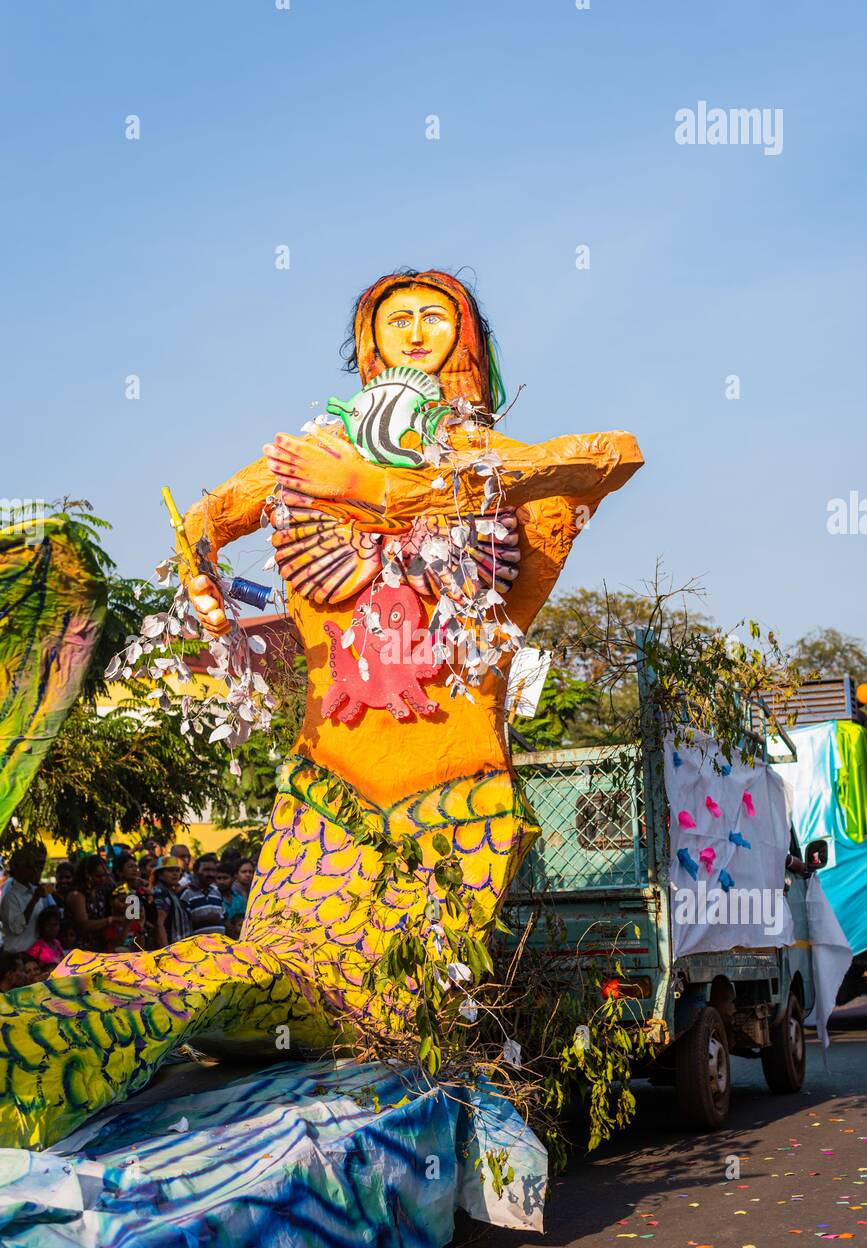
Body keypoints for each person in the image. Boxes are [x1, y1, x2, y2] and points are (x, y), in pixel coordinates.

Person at [0, 267, 643, 1149]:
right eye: (394, 320)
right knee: (257, 978)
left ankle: (382, 1135)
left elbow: (618, 453)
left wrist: (381, 492)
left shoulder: (494, 471)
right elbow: (203, 521)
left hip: (452, 805)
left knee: (377, 1003)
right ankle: (58, 1055)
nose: (414, 333)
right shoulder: (304, 466)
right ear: (368, 342)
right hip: (321, 800)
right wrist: (204, 584)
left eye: (434, 318)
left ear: (466, 340)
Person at [65, 855, 127, 952]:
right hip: (82, 949)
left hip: (100, 947)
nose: (103, 879)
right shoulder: (77, 894)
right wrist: (111, 920)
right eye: (98, 876)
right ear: (87, 875)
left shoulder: (100, 891)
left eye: (104, 875)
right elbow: (84, 924)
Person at [0, 842, 51, 956]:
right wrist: (34, 900)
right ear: (18, 868)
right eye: (30, 866)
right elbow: (17, 928)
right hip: (17, 956)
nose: (35, 870)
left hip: (35, 955)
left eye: (38, 865)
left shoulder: (35, 891)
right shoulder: (11, 896)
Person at [181, 856, 226, 935]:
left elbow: (223, 917)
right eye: (206, 870)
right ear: (196, 871)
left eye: (213, 870)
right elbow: (183, 921)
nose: (211, 874)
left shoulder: (216, 892)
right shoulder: (187, 894)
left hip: (220, 944)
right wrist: (206, 919)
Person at [151, 857, 189, 945]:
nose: (175, 873)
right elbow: (159, 924)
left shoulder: (171, 891)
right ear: (160, 874)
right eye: (170, 870)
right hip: (171, 949)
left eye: (177, 870)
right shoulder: (160, 891)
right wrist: (166, 951)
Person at [215, 863, 246, 938]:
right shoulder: (214, 899)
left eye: (225, 878)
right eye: (218, 878)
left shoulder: (239, 898)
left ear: (233, 878)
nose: (221, 882)